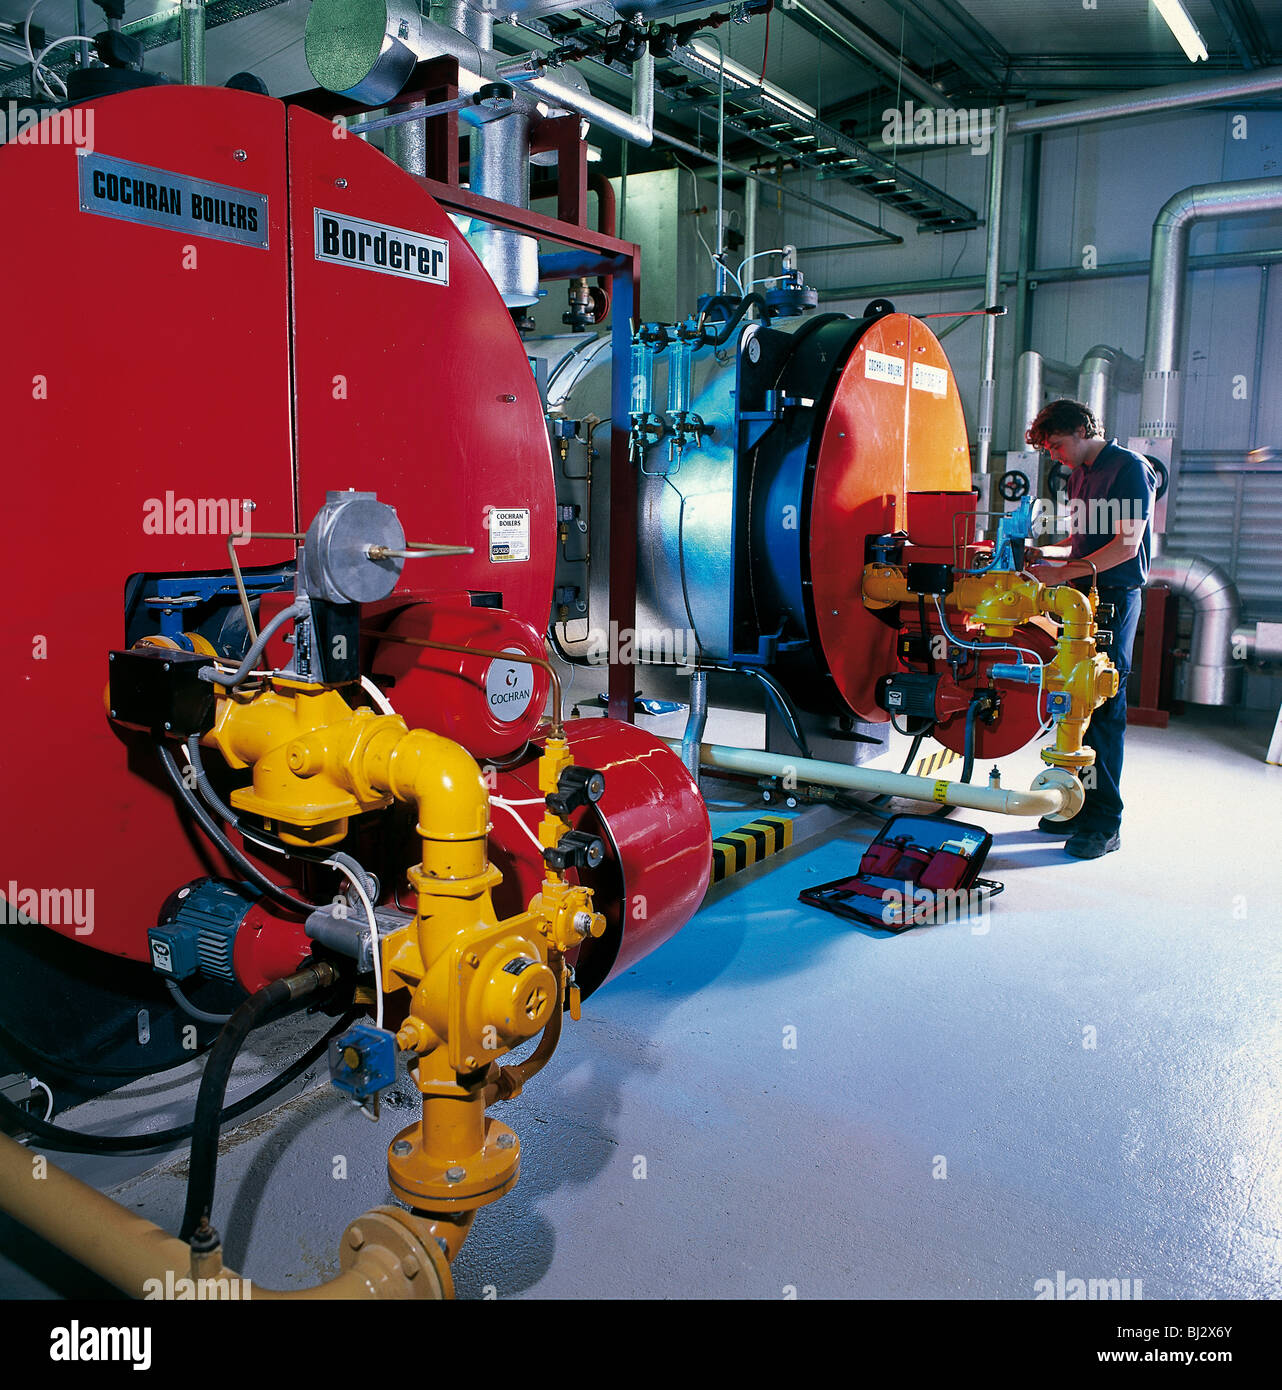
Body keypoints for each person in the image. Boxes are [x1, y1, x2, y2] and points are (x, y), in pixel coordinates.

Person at [1023, 399, 1157, 860]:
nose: (1055, 455)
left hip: (1114, 601)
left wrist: (1061, 573)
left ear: (1081, 430)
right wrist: (1045, 554)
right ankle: (1075, 806)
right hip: (1079, 600)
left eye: (1057, 445)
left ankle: (1104, 822)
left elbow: (1124, 545)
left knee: (1101, 707)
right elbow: (1081, 541)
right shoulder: (1080, 473)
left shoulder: (1129, 469)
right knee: (1071, 705)